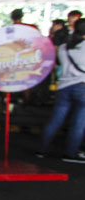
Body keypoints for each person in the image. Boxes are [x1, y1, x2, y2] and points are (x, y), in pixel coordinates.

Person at [37, 19, 85, 163]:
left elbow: (58, 63)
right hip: (82, 86)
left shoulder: (64, 47)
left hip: (63, 86)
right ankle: (70, 153)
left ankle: (42, 150)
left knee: (55, 120)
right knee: (78, 123)